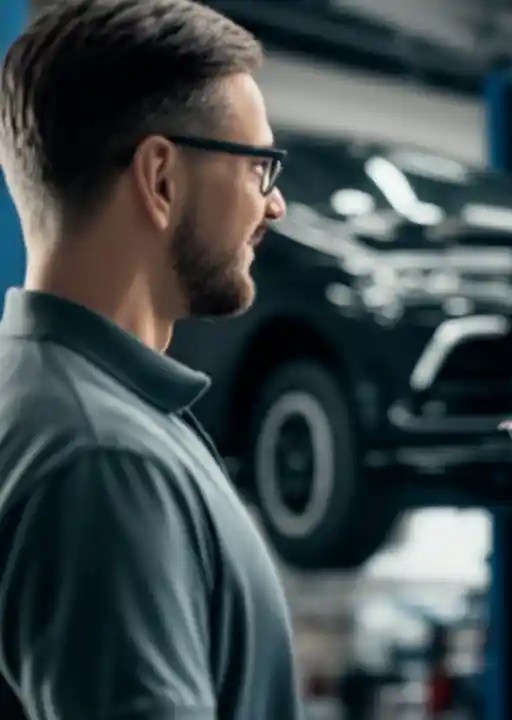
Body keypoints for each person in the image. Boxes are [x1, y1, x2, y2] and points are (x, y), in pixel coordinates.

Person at [0, 1, 296, 718]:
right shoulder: (106, 460)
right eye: (259, 167)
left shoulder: (48, 403)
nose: (276, 204)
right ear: (161, 178)